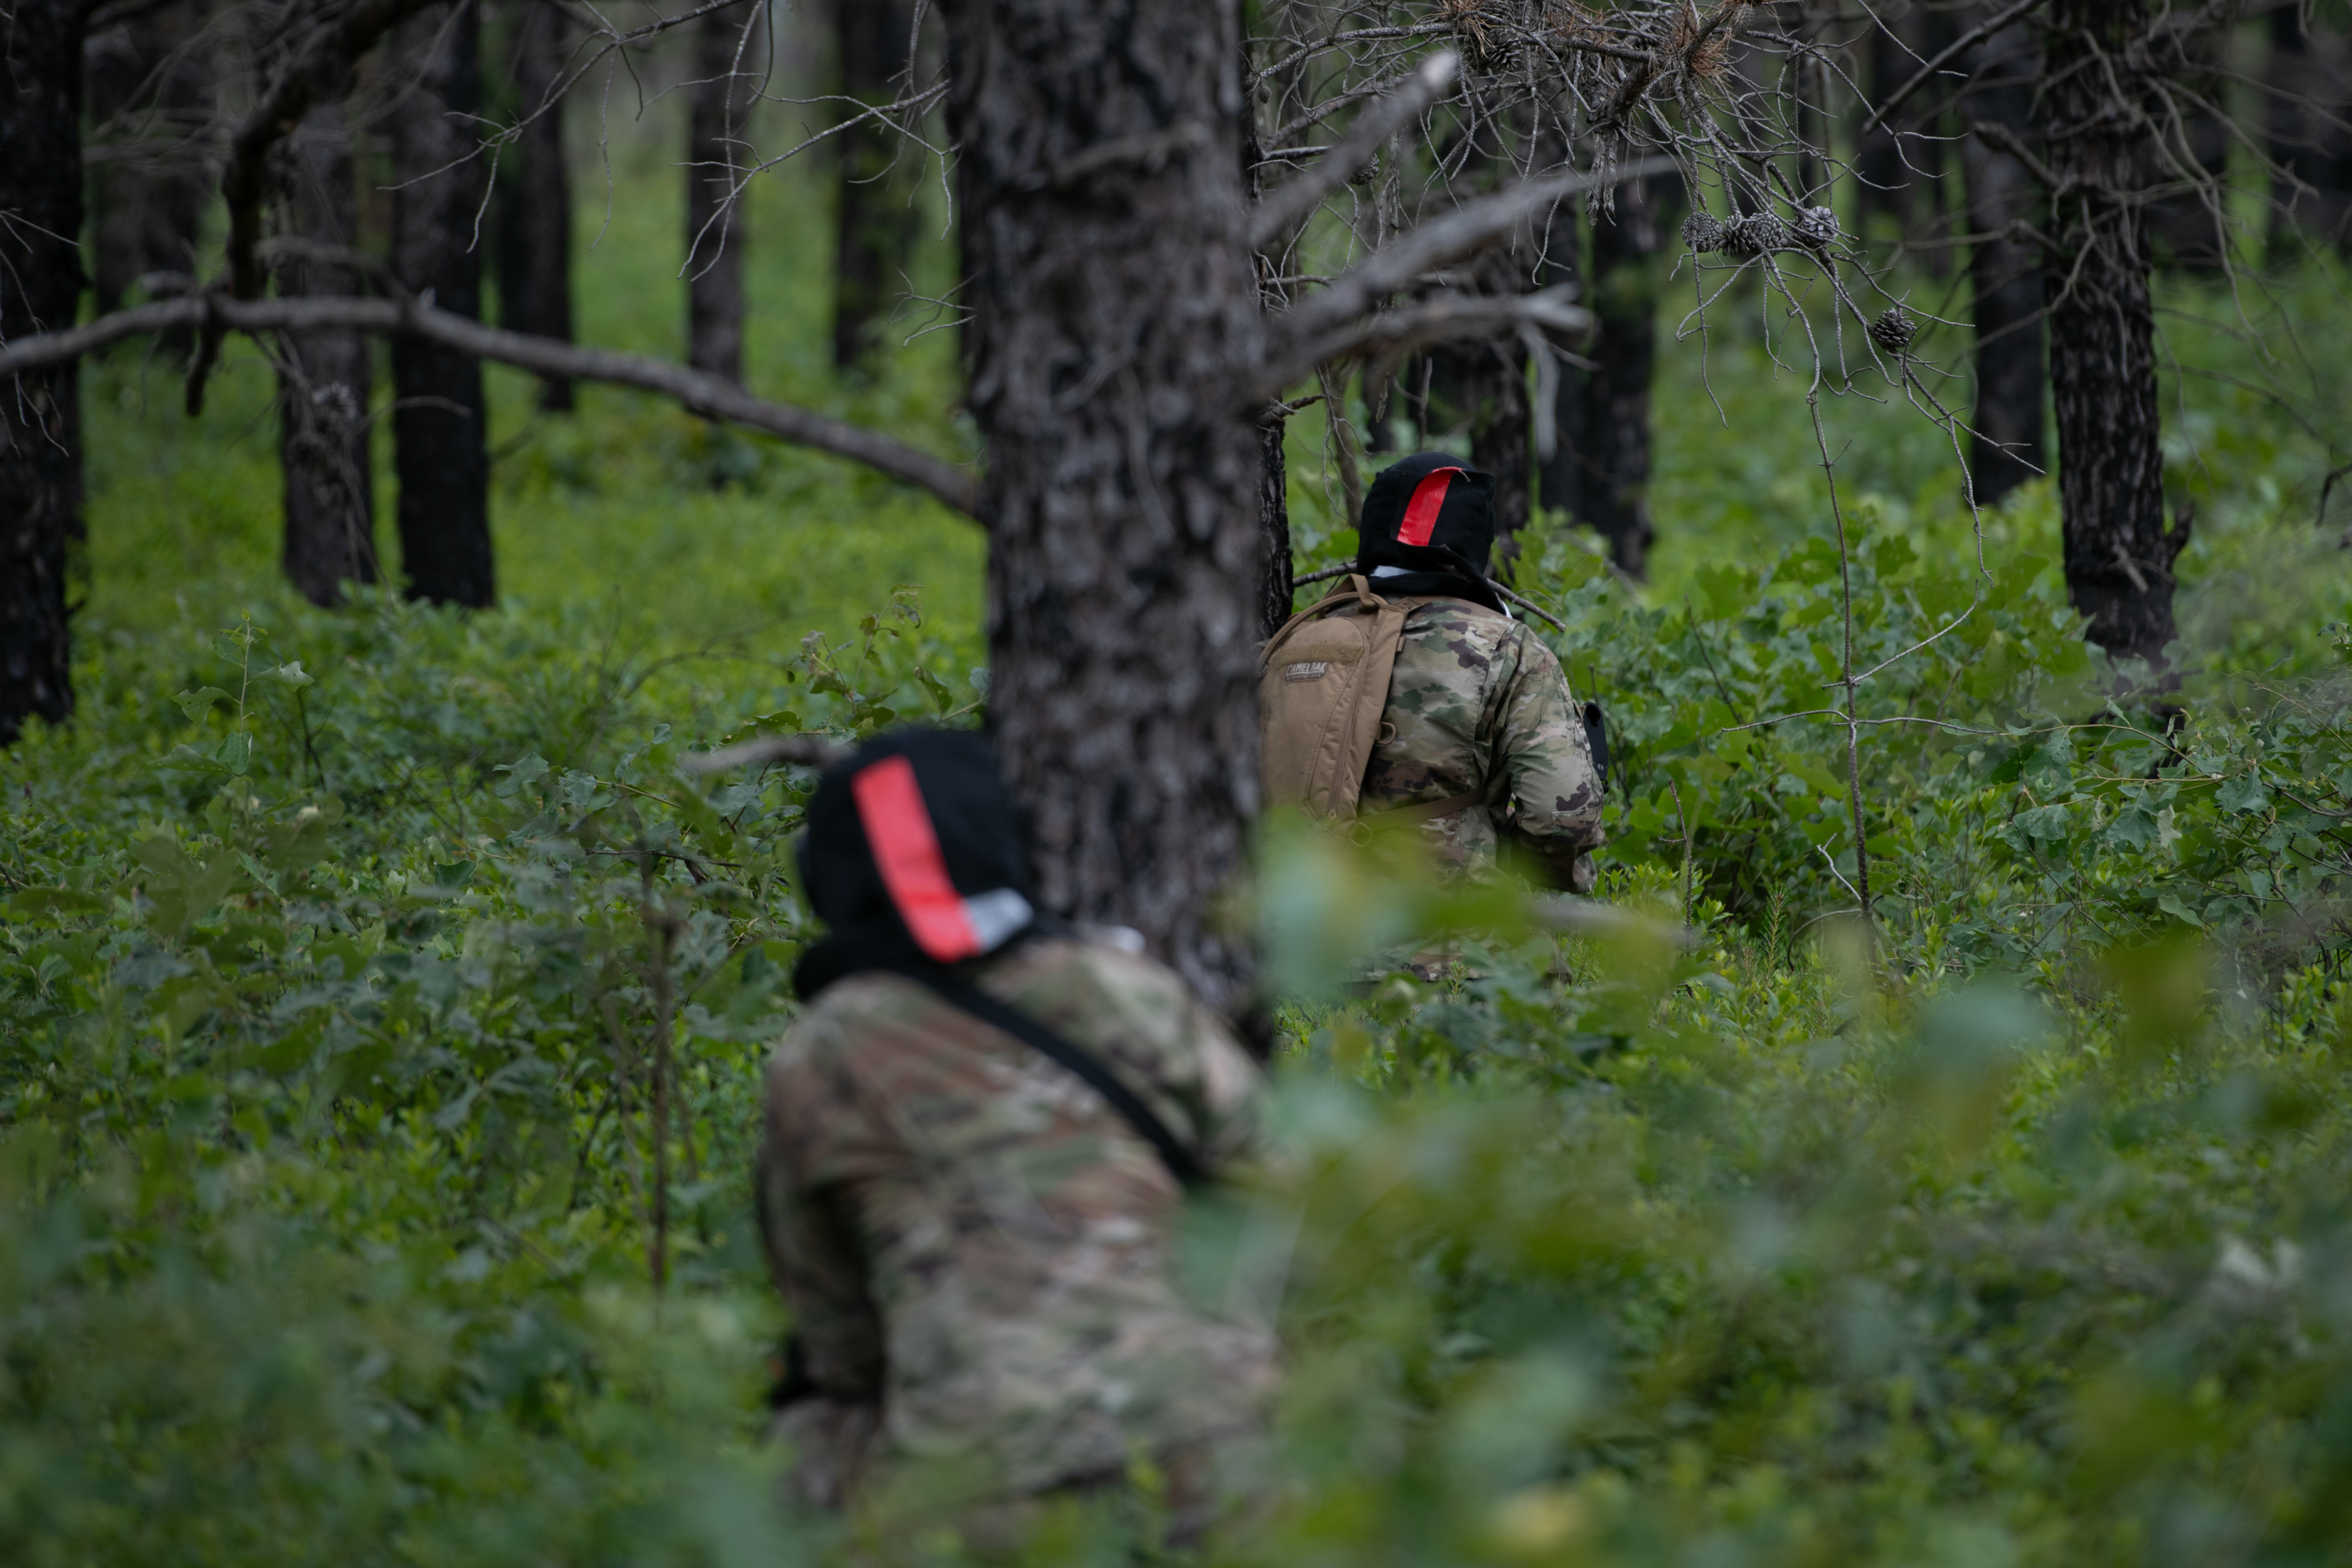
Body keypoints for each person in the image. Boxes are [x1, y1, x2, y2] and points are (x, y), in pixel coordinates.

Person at [755, 727, 1277, 1545]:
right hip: (1216, 1446)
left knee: (809, 1431)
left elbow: (841, 1342)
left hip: (984, 1482)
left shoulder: (823, 1055)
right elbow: (1276, 1185)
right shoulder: (1128, 986)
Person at [1340, 451, 1606, 891]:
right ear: (1475, 544)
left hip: (1298, 944)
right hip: (1451, 944)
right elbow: (1564, 820)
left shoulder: (1303, 638)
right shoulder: (1509, 648)